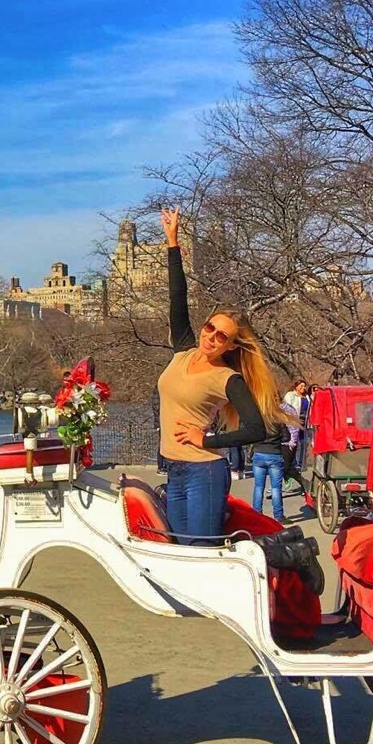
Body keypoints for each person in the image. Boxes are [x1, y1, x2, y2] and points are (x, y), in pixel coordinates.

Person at [153, 206, 273, 544]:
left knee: (202, 554)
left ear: (231, 346)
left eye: (221, 336)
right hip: (174, 469)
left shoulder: (226, 378)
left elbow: (255, 428)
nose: (211, 337)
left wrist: (206, 440)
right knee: (179, 549)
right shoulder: (183, 350)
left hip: (203, 471)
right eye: (210, 328)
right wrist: (173, 243)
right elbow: (178, 299)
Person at [250, 414, 296, 523]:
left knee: (258, 486)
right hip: (274, 454)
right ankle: (278, 516)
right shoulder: (278, 419)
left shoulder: (257, 419)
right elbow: (287, 437)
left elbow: (250, 435)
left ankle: (257, 514)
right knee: (276, 488)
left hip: (258, 453)